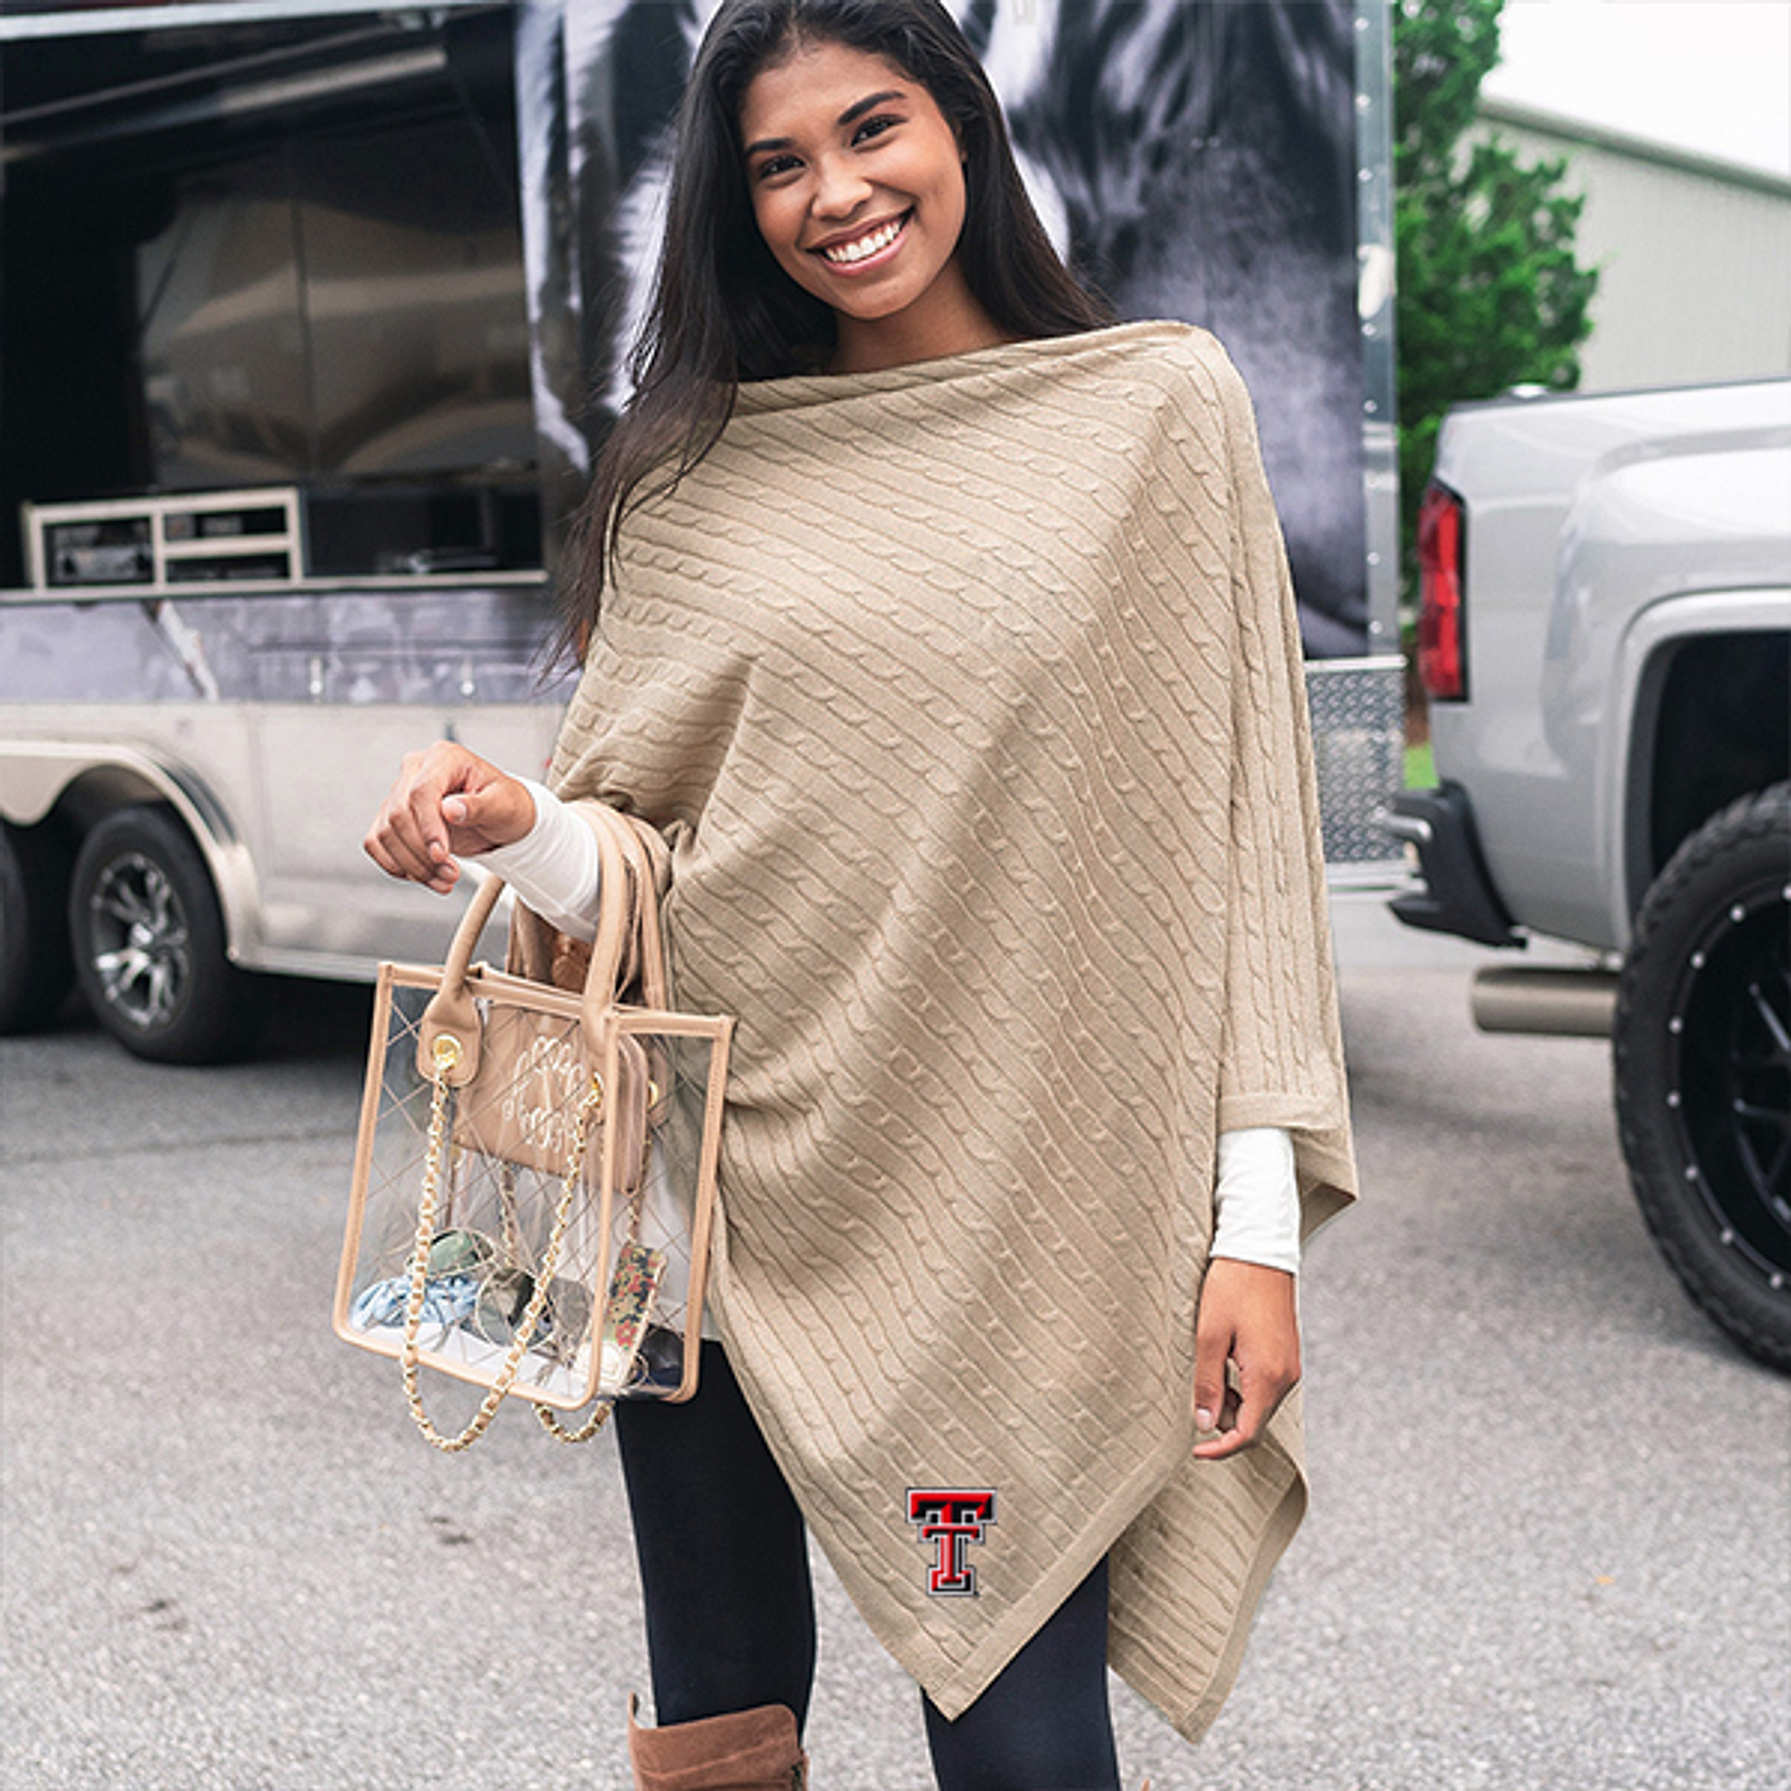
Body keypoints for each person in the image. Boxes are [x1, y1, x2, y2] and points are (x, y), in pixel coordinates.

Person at [364, 4, 1360, 1788]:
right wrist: (520, 823)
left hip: (1008, 1246)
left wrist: (1255, 1234)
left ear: (961, 125)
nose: (837, 193)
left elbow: (1239, 857)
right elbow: (655, 868)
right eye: (778, 165)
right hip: (711, 1219)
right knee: (722, 1720)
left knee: (1020, 1741)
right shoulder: (695, 476)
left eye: (873, 129)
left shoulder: (1155, 416)